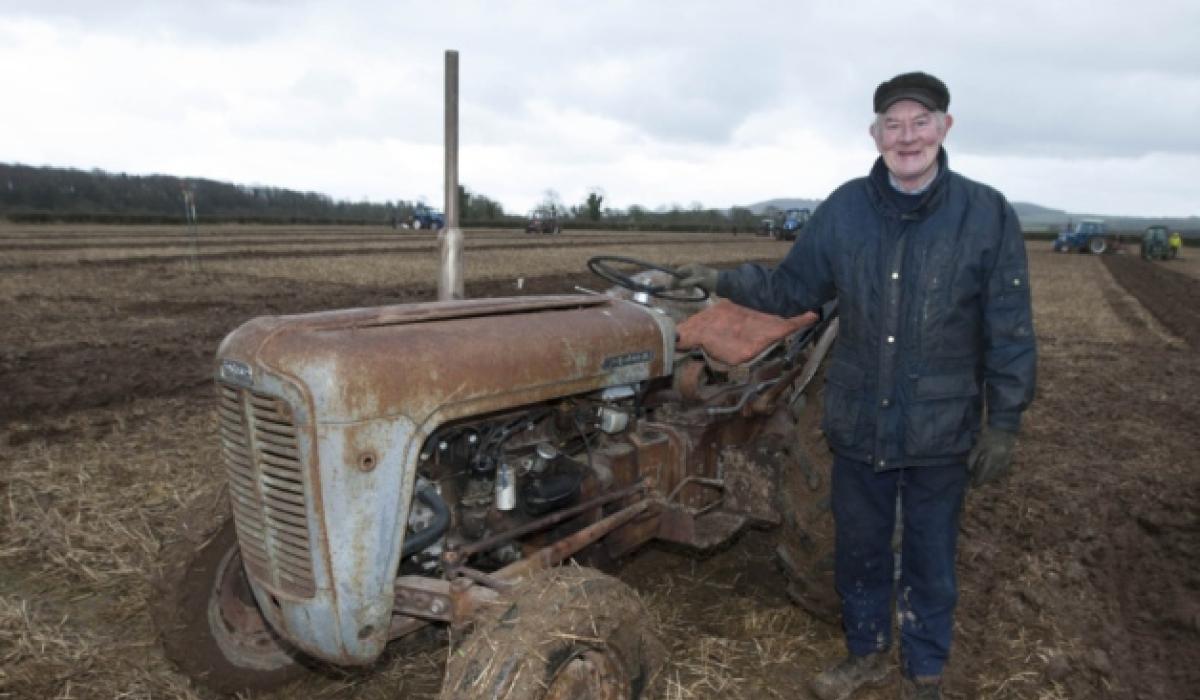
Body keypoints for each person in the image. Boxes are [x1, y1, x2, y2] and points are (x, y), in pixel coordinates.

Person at [675, 71, 1037, 700]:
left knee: (930, 554)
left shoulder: (986, 214)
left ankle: (924, 672)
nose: (907, 137)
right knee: (860, 549)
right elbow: (793, 291)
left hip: (940, 425)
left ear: (945, 127)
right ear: (875, 135)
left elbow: (1009, 328)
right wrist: (723, 278)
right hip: (858, 416)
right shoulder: (845, 210)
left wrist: (1004, 422)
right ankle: (866, 651)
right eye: (892, 125)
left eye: (920, 122)